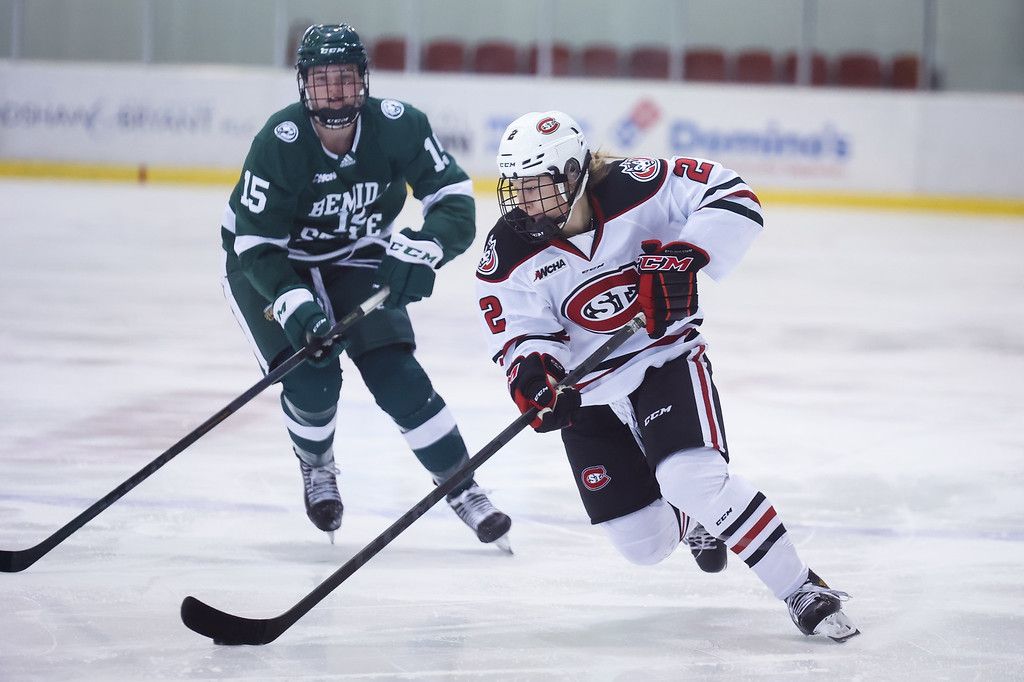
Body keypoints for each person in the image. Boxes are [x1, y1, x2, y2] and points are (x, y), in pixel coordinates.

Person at [474, 110, 859, 640]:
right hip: (589, 395)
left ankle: (801, 587)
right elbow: (519, 334)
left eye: (539, 186)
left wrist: (683, 257)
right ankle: (694, 516)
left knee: (689, 478)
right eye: (516, 188)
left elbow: (733, 194)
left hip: (663, 359)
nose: (524, 202)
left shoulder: (642, 184)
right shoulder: (508, 253)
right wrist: (537, 378)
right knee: (644, 547)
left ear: (575, 174)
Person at [218, 23, 511, 550]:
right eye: (323, 78)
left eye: (346, 78)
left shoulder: (399, 126)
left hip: (355, 257)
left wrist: (427, 247)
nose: (335, 91)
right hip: (269, 265)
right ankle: (316, 466)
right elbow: (256, 245)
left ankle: (462, 487)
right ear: (304, 84)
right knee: (312, 377)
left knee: (397, 374)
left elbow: (454, 200)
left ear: (364, 82)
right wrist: (295, 305)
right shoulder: (279, 141)